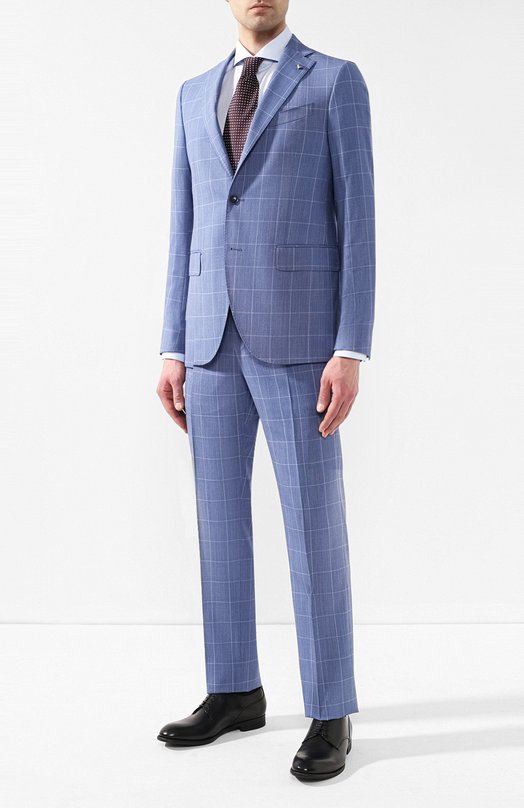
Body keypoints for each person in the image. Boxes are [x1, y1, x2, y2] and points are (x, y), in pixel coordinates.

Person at [156, 0, 375, 782]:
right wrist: (172, 343)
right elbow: (184, 223)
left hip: (301, 342)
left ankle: (331, 709)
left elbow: (359, 219)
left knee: (314, 526)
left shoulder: (334, 82)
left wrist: (350, 346)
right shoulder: (193, 93)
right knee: (218, 524)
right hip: (209, 338)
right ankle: (235, 689)